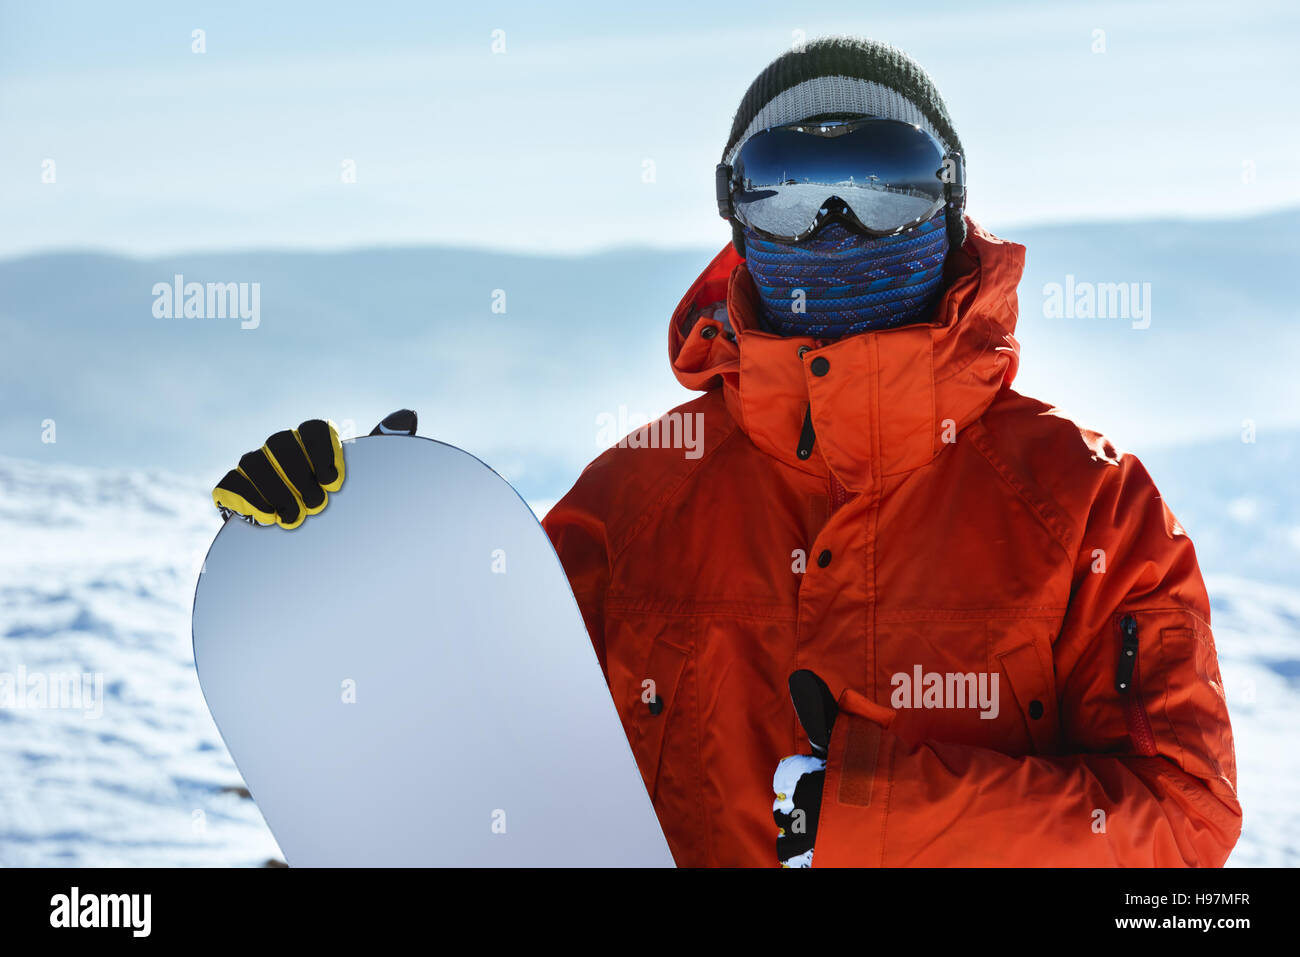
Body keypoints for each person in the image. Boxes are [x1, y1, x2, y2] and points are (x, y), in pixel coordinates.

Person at [213, 37, 1241, 867]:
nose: (835, 228)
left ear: (951, 201)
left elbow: (1184, 827)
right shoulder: (637, 496)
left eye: (880, 182)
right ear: (734, 217)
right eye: (788, 187)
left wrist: (879, 818)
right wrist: (358, 563)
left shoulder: (1085, 502)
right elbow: (480, 744)